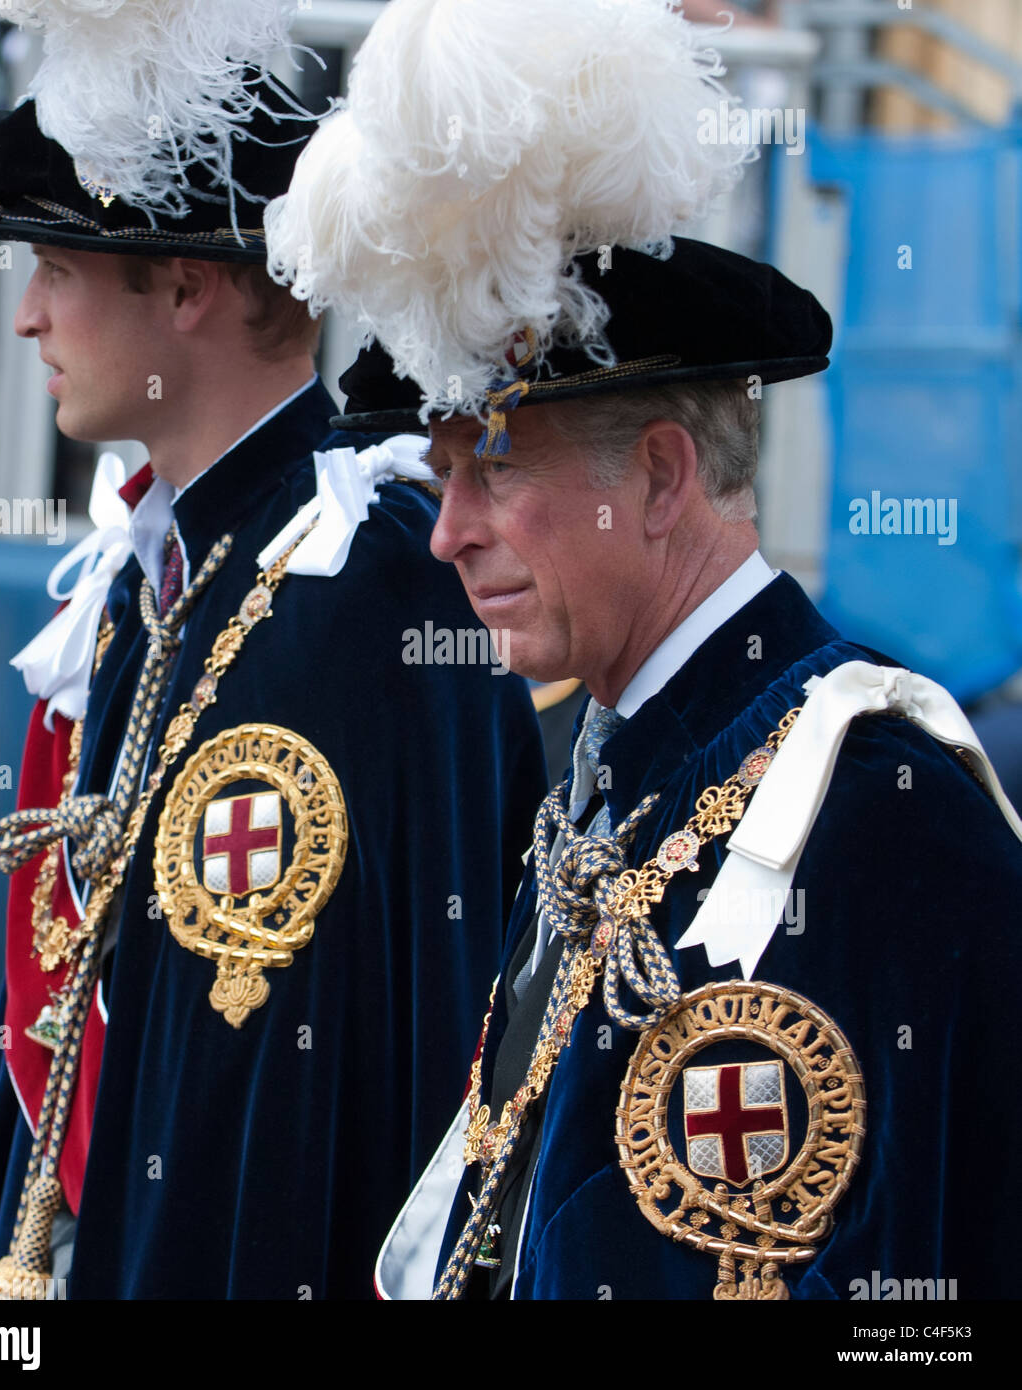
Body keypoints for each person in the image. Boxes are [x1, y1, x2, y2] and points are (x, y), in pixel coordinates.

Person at [264, 0, 1022, 1300]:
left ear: (661, 478)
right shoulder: (613, 772)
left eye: (491, 471)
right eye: (439, 477)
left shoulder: (883, 802)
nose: (445, 533)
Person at [0, 31, 546, 1298]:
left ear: (188, 290)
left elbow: (382, 1075)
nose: (30, 314)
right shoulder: (141, 577)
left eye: (55, 268)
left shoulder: (372, 584)